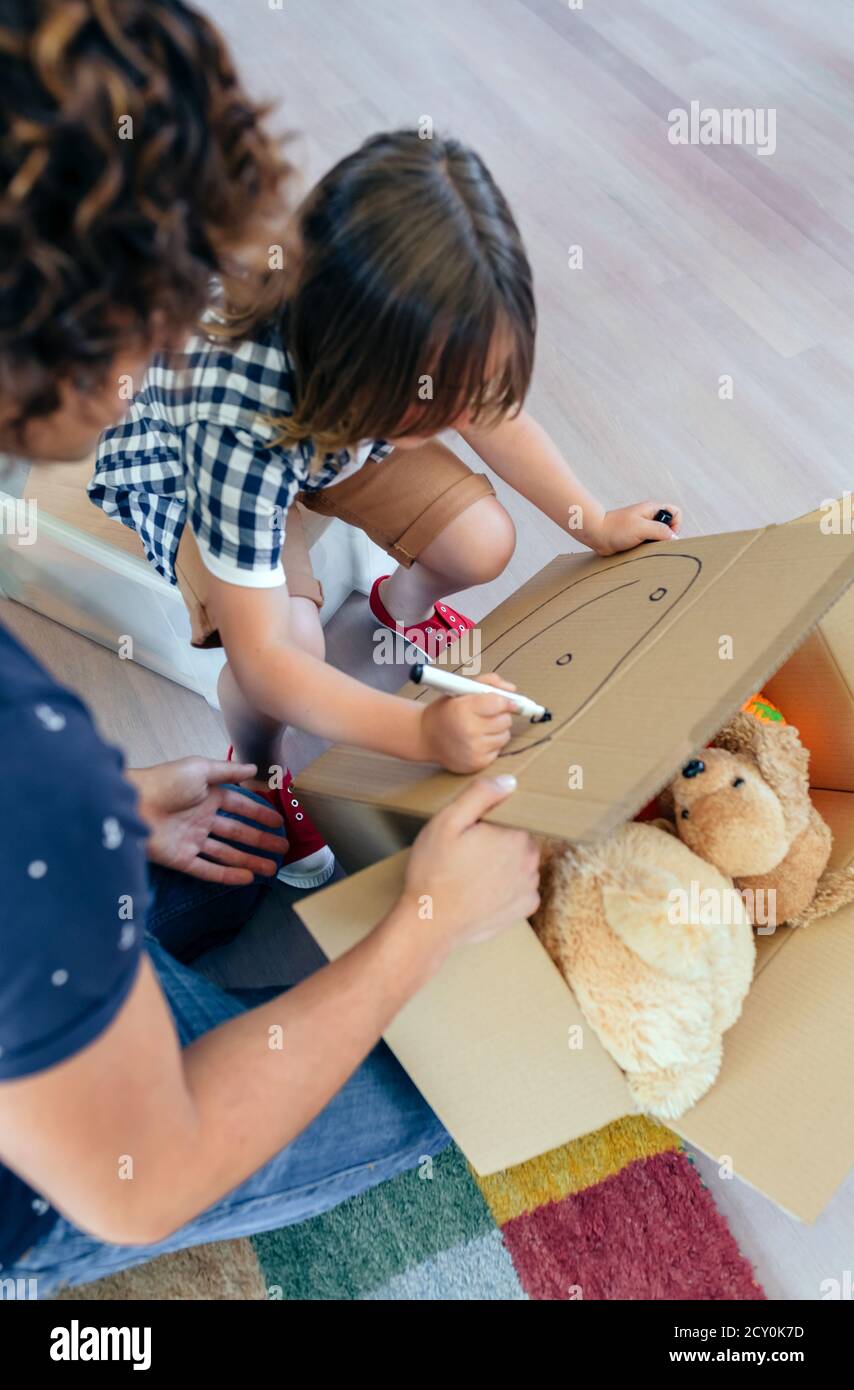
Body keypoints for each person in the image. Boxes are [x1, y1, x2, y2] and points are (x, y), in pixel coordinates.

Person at [0, 0, 539, 1298]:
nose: (191, 331)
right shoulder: (35, 757)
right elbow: (141, 1177)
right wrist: (419, 927)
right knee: (489, 1041)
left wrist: (109, 821)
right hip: (55, 1175)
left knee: (233, 861)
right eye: (179, 294)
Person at [89, 129, 682, 888]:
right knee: (288, 646)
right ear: (363, 367)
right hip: (204, 471)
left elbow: (486, 416)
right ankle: (262, 769)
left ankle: (393, 613)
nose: (462, 414)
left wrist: (591, 522)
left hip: (334, 430)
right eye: (440, 397)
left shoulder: (399, 351)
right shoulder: (233, 427)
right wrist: (420, 733)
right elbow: (267, 661)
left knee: (482, 540)